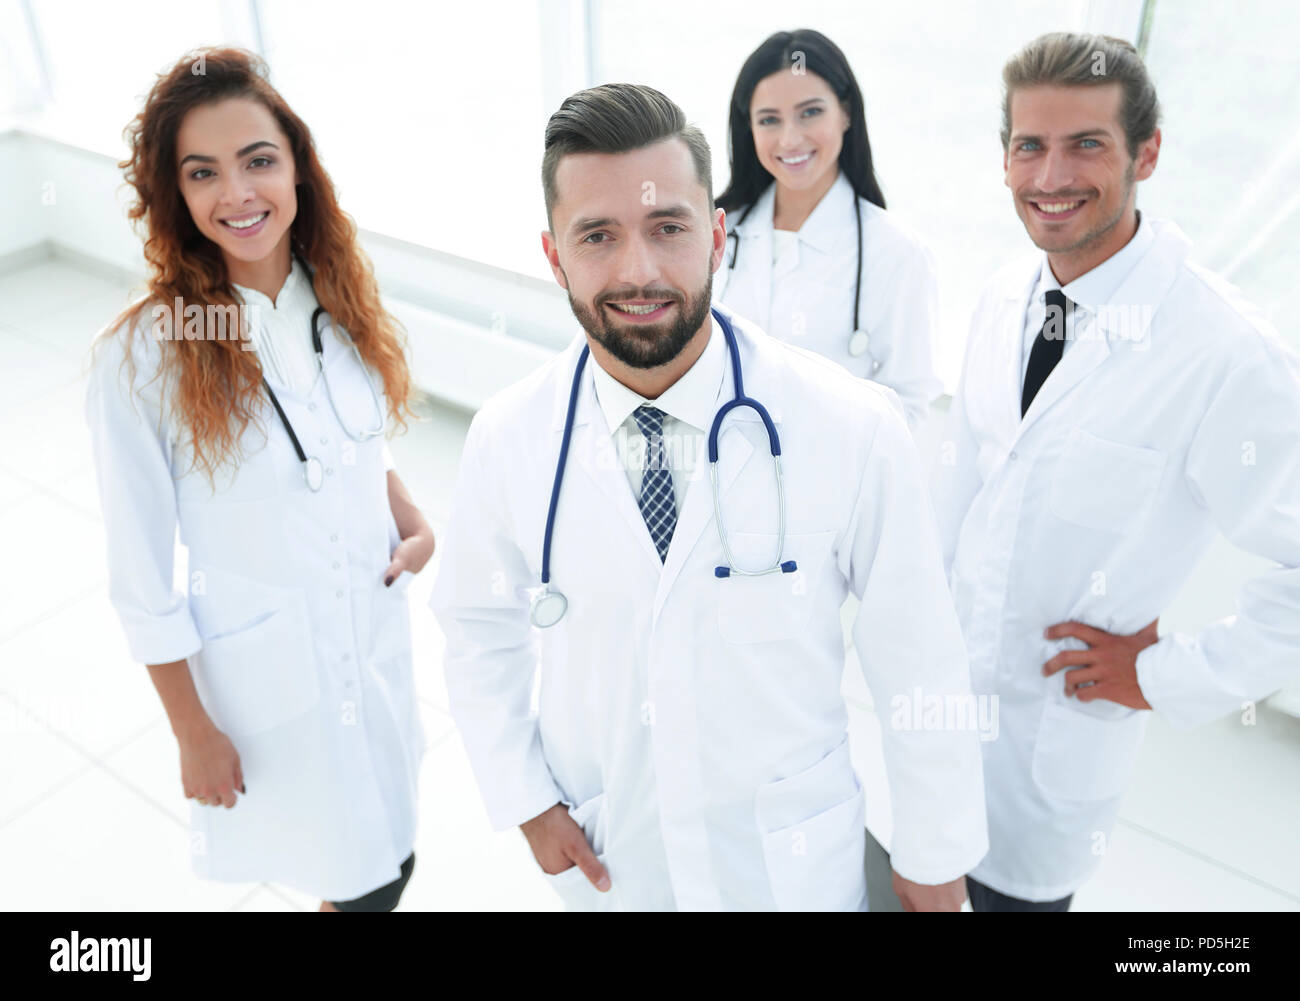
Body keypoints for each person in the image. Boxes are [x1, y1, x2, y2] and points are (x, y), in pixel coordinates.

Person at [429, 83, 987, 912]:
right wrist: (525, 798)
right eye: (598, 236)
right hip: (615, 854)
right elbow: (476, 627)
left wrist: (936, 858)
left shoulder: (851, 425)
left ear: (718, 235)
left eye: (668, 228)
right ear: (554, 257)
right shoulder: (509, 438)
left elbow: (920, 653)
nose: (639, 270)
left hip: (788, 864)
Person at [931, 32, 1300, 911]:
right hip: (932, 742)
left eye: (1086, 144)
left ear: (1148, 152)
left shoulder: (1223, 352)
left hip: (1047, 771)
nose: (1051, 175)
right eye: (1030, 145)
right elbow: (964, 491)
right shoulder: (1000, 294)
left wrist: (1166, 673)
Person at [85, 48, 435, 912]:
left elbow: (350, 439)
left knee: (390, 853)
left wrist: (409, 513)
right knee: (362, 880)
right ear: (177, 197)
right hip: (266, 680)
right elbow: (138, 577)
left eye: (258, 161)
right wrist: (191, 730)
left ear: (298, 168)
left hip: (369, 641)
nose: (237, 195)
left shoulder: (338, 295)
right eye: (203, 173)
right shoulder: (140, 357)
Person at [714, 28, 942, 431]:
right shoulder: (719, 230)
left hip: (831, 486)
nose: (790, 138)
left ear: (847, 112)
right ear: (748, 128)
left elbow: (909, 407)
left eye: (810, 112)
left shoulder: (896, 253)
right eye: (769, 120)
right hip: (721, 472)